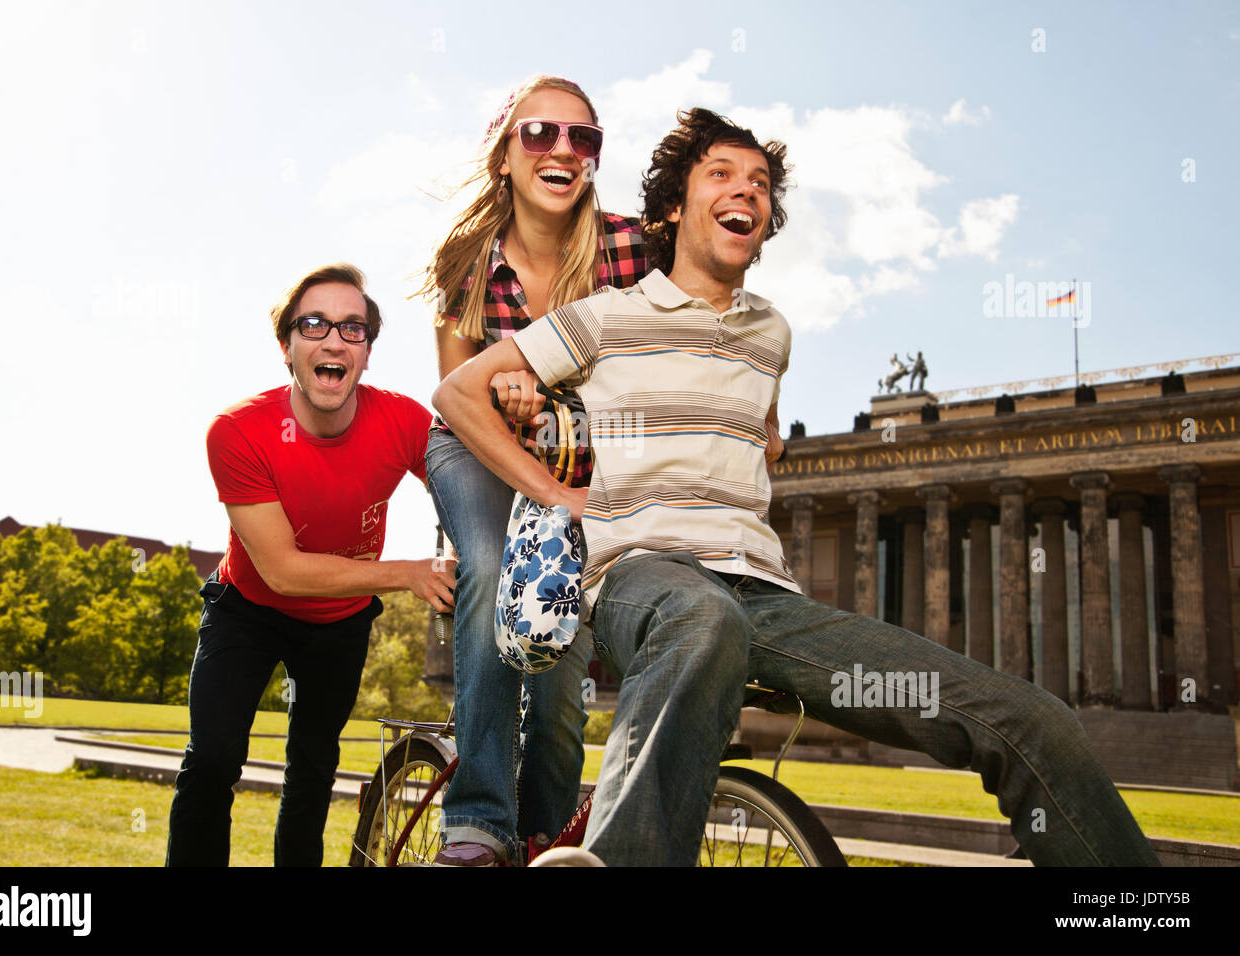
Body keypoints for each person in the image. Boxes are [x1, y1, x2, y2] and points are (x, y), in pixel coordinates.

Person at [433, 109, 1160, 866]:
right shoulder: (606, 317)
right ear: (675, 207)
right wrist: (559, 497)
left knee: (1029, 718)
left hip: (765, 599)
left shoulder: (771, 333)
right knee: (701, 620)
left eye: (761, 183)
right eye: (721, 173)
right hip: (644, 580)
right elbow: (458, 394)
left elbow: (763, 430)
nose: (746, 189)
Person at [418, 75, 650, 866]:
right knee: (489, 568)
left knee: (557, 666)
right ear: (505, 155)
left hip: (578, 465)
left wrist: (546, 381)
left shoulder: (632, 249)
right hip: (475, 450)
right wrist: (498, 372)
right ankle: (477, 823)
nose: (564, 150)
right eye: (540, 134)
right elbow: (461, 397)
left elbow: (678, 348)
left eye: (584, 138)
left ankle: (548, 840)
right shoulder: (465, 261)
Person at [166, 263, 455, 867]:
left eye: (353, 328)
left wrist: (461, 551)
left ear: (367, 354)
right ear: (287, 347)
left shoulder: (401, 420)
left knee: (313, 769)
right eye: (314, 324)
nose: (333, 339)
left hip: (339, 621)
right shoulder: (238, 430)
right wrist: (408, 572)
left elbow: (464, 494)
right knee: (213, 759)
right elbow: (284, 572)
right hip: (248, 610)